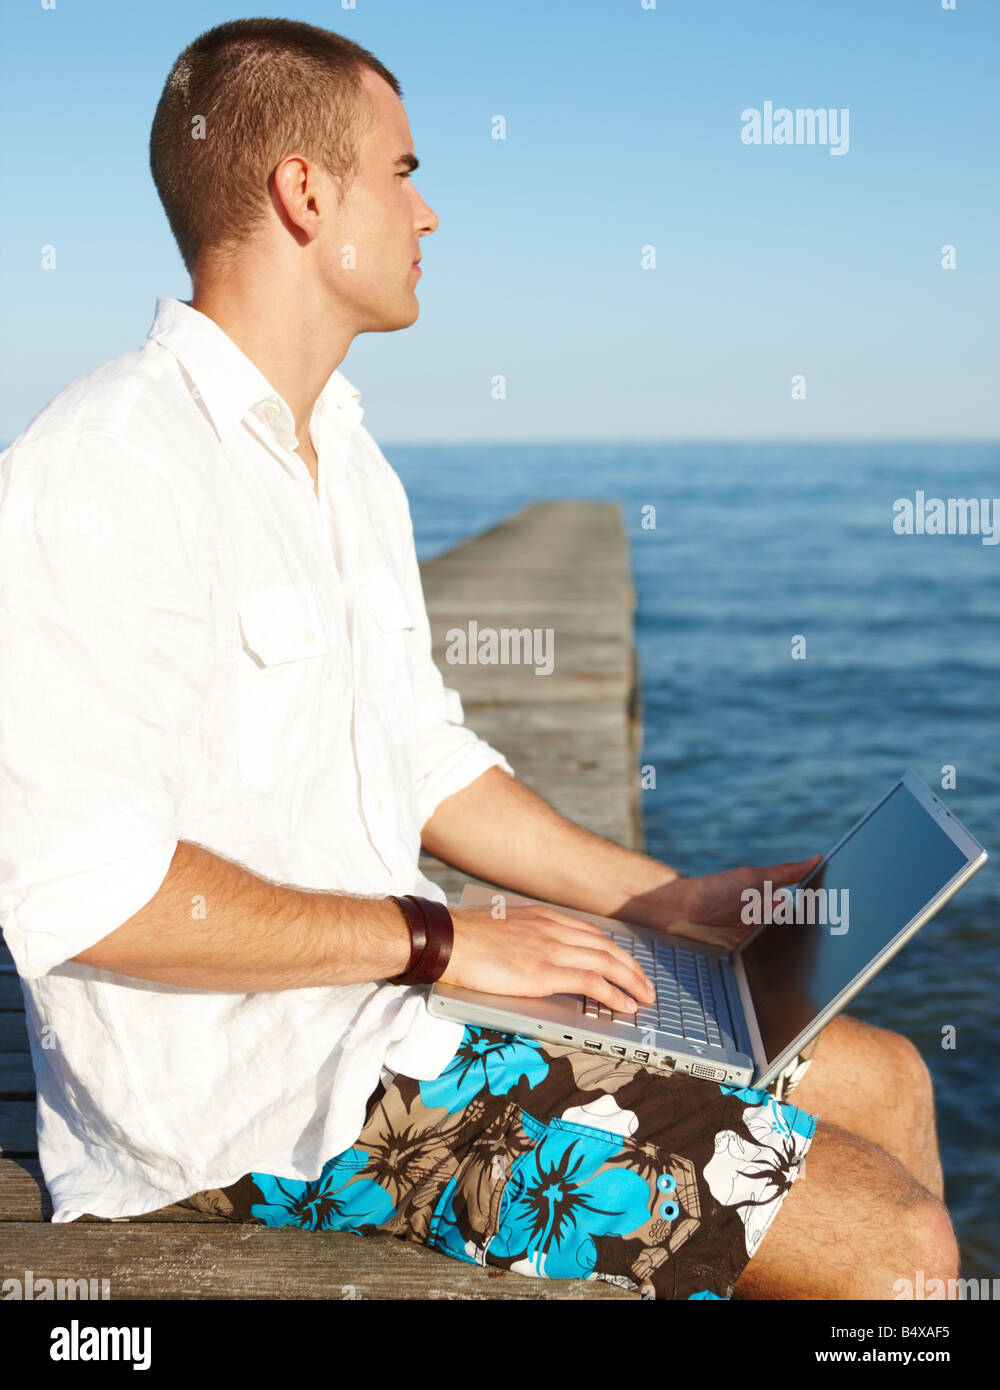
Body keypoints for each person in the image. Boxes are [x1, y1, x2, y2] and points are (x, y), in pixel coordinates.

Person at [0, 17, 957, 1300]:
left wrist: (657, 902)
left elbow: (421, 758)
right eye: (401, 174)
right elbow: (85, 890)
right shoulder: (105, 467)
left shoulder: (340, 453)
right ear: (303, 191)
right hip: (254, 1110)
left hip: (391, 1010)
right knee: (897, 1246)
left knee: (889, 1077)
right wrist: (442, 938)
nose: (430, 213)